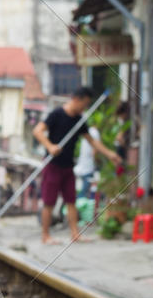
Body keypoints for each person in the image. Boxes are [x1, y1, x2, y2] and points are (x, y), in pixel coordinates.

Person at [33, 87, 121, 244]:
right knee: (49, 202)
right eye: (85, 103)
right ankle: (45, 235)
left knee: (71, 200)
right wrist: (50, 146)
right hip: (53, 165)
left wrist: (110, 154)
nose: (85, 108)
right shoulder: (57, 114)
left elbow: (92, 141)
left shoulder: (79, 120)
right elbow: (38, 131)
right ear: (76, 99)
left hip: (68, 167)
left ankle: (75, 234)